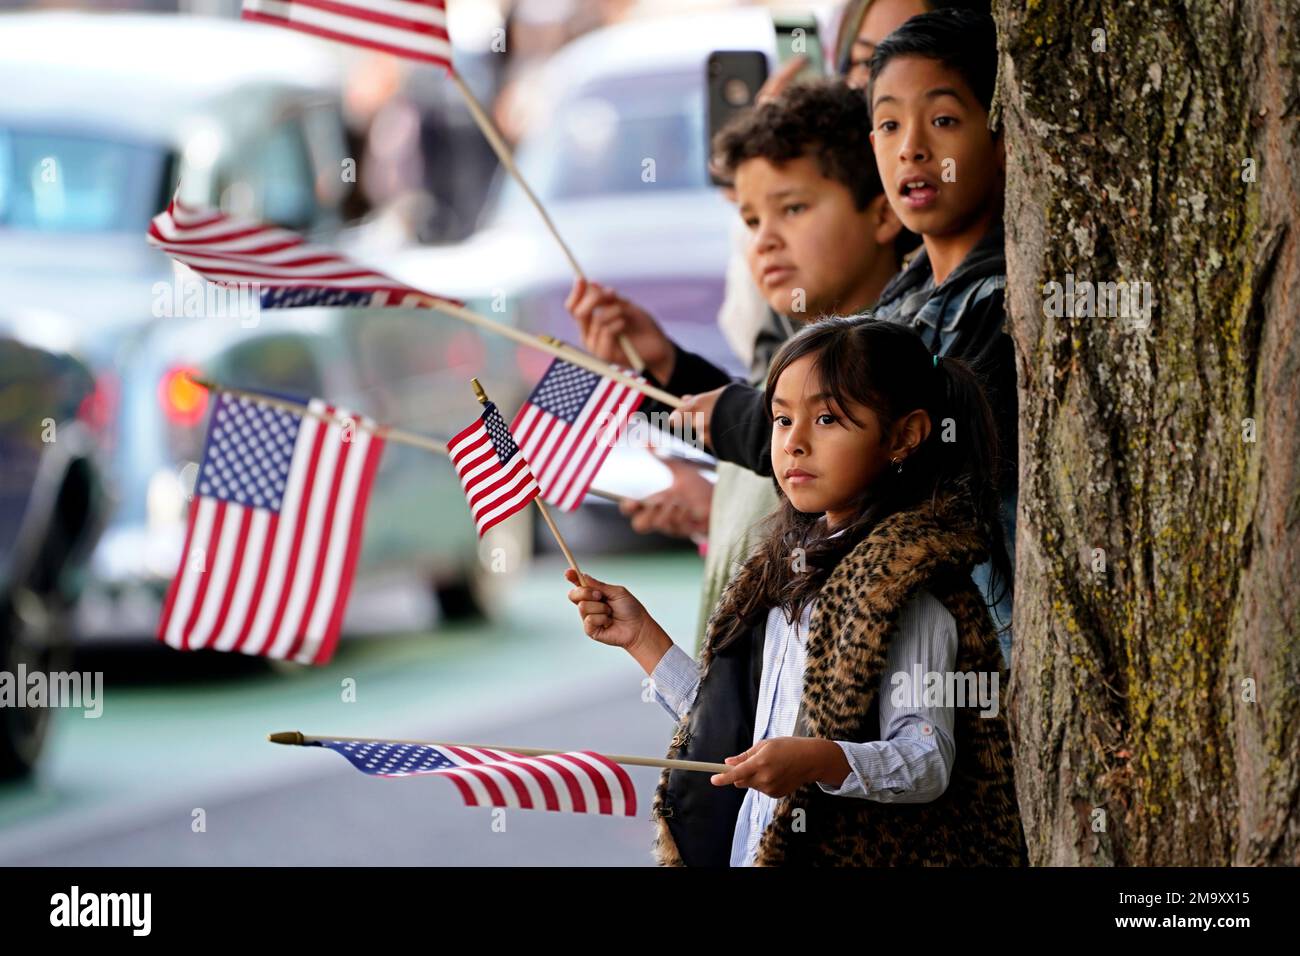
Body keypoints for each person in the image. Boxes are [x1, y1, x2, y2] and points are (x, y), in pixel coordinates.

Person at [566, 319, 1027, 866]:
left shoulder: (906, 588)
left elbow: (924, 759)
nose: (794, 442)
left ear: (904, 436)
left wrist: (818, 760)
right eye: (782, 418)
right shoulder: (783, 574)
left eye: (827, 419)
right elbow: (739, 727)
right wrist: (642, 638)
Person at [566, 78, 911, 648]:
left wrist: (723, 410)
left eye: (793, 209)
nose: (764, 241)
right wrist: (664, 367)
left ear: (882, 214)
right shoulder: (789, 351)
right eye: (751, 221)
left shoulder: (906, 361)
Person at [866, 8, 1016, 660]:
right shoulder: (902, 296)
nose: (913, 148)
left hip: (980, 656)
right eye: (890, 124)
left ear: (1005, 136)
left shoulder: (1004, 302)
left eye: (944, 120)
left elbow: (899, 457)